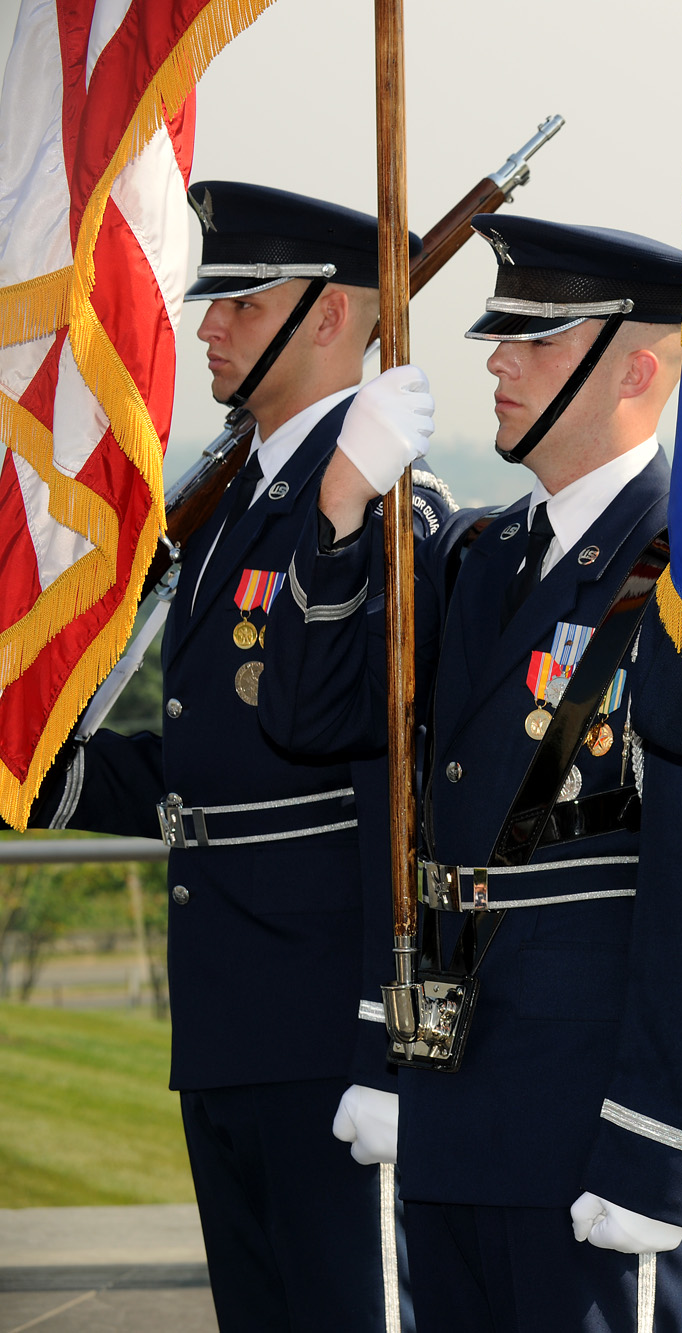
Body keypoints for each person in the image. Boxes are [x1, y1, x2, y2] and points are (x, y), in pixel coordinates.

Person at [256, 214, 682, 1333]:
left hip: (590, 1129)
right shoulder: (482, 555)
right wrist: (342, 509)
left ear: (637, 369)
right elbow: (323, 727)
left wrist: (663, 1149)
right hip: (454, 1107)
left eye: (536, 340)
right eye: (502, 335)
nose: (495, 359)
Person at [31, 182, 445, 1331]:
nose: (205, 326)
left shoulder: (377, 517)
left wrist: (383, 1035)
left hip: (325, 1032)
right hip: (228, 1020)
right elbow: (206, 774)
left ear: (327, 318)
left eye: (238, 304)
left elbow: (389, 796)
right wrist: (40, 767)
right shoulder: (224, 513)